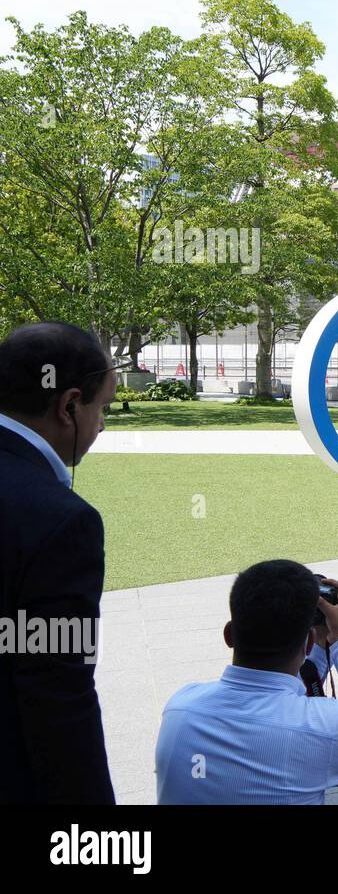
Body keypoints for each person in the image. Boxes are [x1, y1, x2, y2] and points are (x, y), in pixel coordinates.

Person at [155, 560, 338, 804]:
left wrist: (317, 644)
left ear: (229, 635)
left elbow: (279, 698)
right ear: (307, 643)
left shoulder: (181, 706)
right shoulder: (326, 725)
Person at [0, 322, 117, 804]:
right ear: (68, 405)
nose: (103, 425)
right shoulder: (62, 522)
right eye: (103, 408)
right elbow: (58, 698)